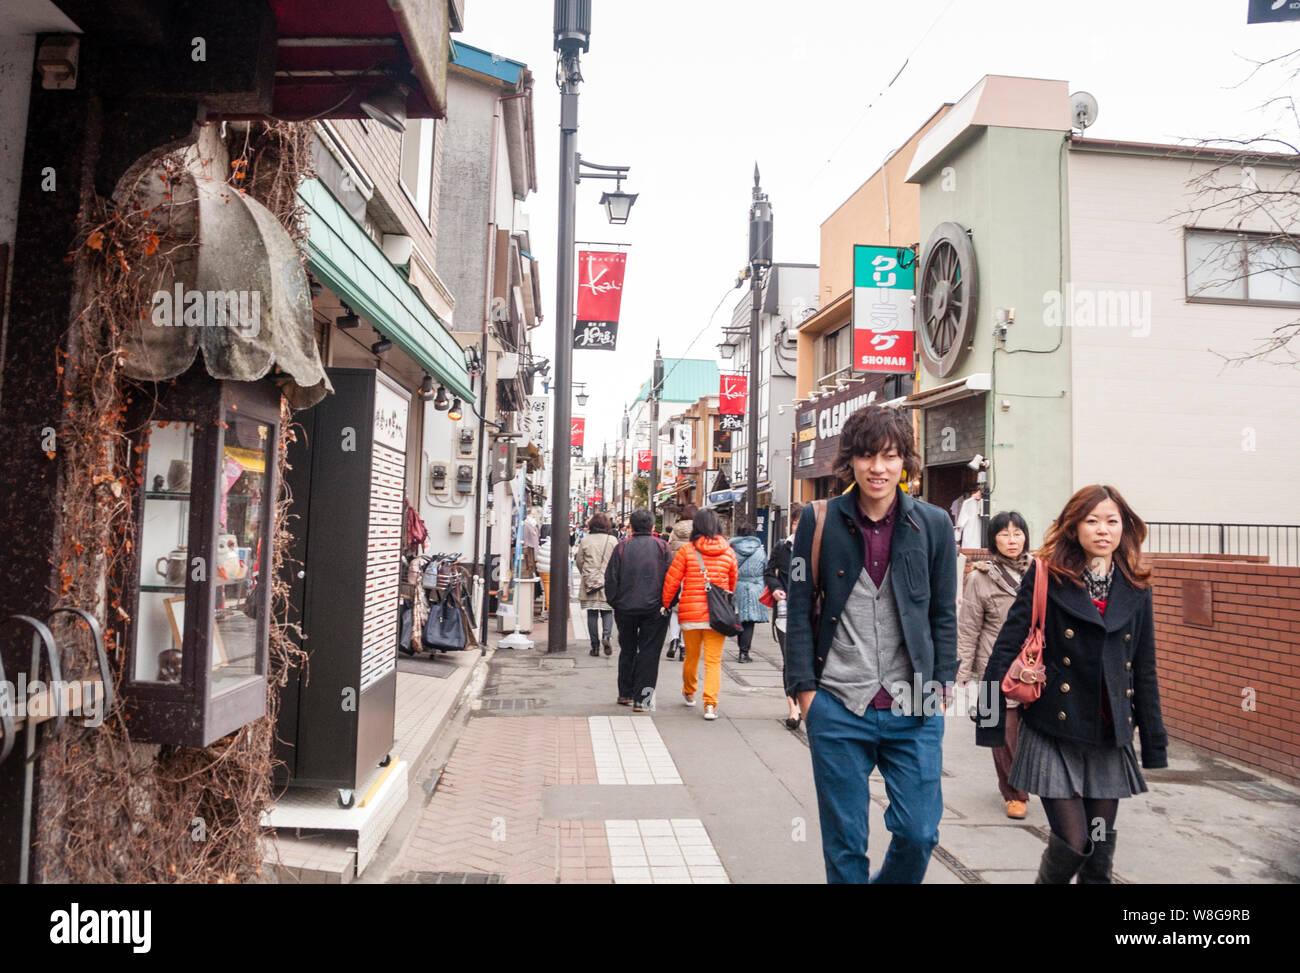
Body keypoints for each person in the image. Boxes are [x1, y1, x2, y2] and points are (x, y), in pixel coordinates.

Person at [786, 404, 958, 884]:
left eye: (889, 456)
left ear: (905, 461)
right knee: (845, 843)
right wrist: (805, 692)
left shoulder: (934, 525)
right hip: (838, 705)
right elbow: (799, 608)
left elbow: (944, 612)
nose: (877, 468)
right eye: (866, 456)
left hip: (914, 707)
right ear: (850, 462)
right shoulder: (818, 520)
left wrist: (942, 685)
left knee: (920, 832)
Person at [978, 485, 1167, 884]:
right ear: (1074, 527)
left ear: (1124, 528)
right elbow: (1006, 646)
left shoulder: (1135, 586)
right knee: (1074, 840)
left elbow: (1144, 668)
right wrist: (991, 720)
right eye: (1092, 521)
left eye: (1112, 521)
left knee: (1099, 848)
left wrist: (1153, 741)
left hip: (1108, 735)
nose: (1103, 530)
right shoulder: (1047, 576)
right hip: (1053, 730)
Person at [957, 510, 1033, 819]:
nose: (1011, 540)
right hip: (994, 666)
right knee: (1001, 734)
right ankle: (1014, 793)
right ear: (993, 539)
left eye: (1017, 533)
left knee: (1032, 733)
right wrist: (962, 674)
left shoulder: (1039, 572)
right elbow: (969, 626)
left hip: (1033, 665)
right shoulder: (979, 577)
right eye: (1004, 534)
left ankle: (1028, 782)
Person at [662, 508, 738, 721]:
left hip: (691, 613)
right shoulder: (728, 551)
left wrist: (666, 603)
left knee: (692, 657)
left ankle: (689, 690)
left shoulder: (687, 550)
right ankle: (710, 705)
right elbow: (732, 583)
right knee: (713, 661)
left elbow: (672, 580)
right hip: (718, 615)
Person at [604, 508, 672, 712]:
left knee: (628, 649)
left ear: (631, 527)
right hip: (655, 608)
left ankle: (625, 692)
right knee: (650, 653)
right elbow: (671, 577)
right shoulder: (662, 547)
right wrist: (667, 603)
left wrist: (614, 601)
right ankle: (643, 700)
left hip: (625, 608)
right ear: (652, 527)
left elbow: (611, 577)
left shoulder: (622, 547)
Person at [765, 501, 803, 729]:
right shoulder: (782, 547)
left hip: (810, 612)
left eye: (802, 523)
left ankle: (806, 704)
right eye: (796, 523)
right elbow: (769, 572)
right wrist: (775, 587)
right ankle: (793, 709)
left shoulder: (819, 546)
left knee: (807, 661)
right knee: (789, 660)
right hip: (785, 612)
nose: (798, 527)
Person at [574, 513, 619, 657]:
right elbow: (618, 560)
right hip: (608, 581)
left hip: (590, 582)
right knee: (607, 611)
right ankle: (606, 636)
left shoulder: (585, 540)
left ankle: (595, 646)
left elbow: (579, 561)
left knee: (592, 613)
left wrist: (586, 574)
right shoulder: (612, 540)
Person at [729, 520, 768, 663]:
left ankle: (741, 649)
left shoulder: (731, 549)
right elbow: (766, 568)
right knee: (749, 621)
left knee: (739, 617)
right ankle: (743, 653)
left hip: (736, 585)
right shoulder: (760, 550)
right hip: (754, 587)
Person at [664, 505, 697, 660]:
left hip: (677, 572)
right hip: (694, 574)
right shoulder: (699, 530)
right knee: (689, 611)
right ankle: (684, 646)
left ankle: (674, 639)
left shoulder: (675, 530)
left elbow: (669, 549)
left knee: (675, 609)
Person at [537, 525, 552, 618]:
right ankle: (550, 608)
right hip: (552, 569)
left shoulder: (543, 545)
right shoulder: (558, 544)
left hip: (543, 569)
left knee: (546, 587)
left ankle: (548, 608)